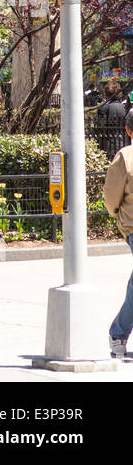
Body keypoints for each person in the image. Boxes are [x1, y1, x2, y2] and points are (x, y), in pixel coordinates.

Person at [103, 106, 133, 358]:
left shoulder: (125, 156)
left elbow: (111, 196)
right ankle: (118, 333)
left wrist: (117, 214)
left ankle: (118, 333)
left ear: (127, 130)